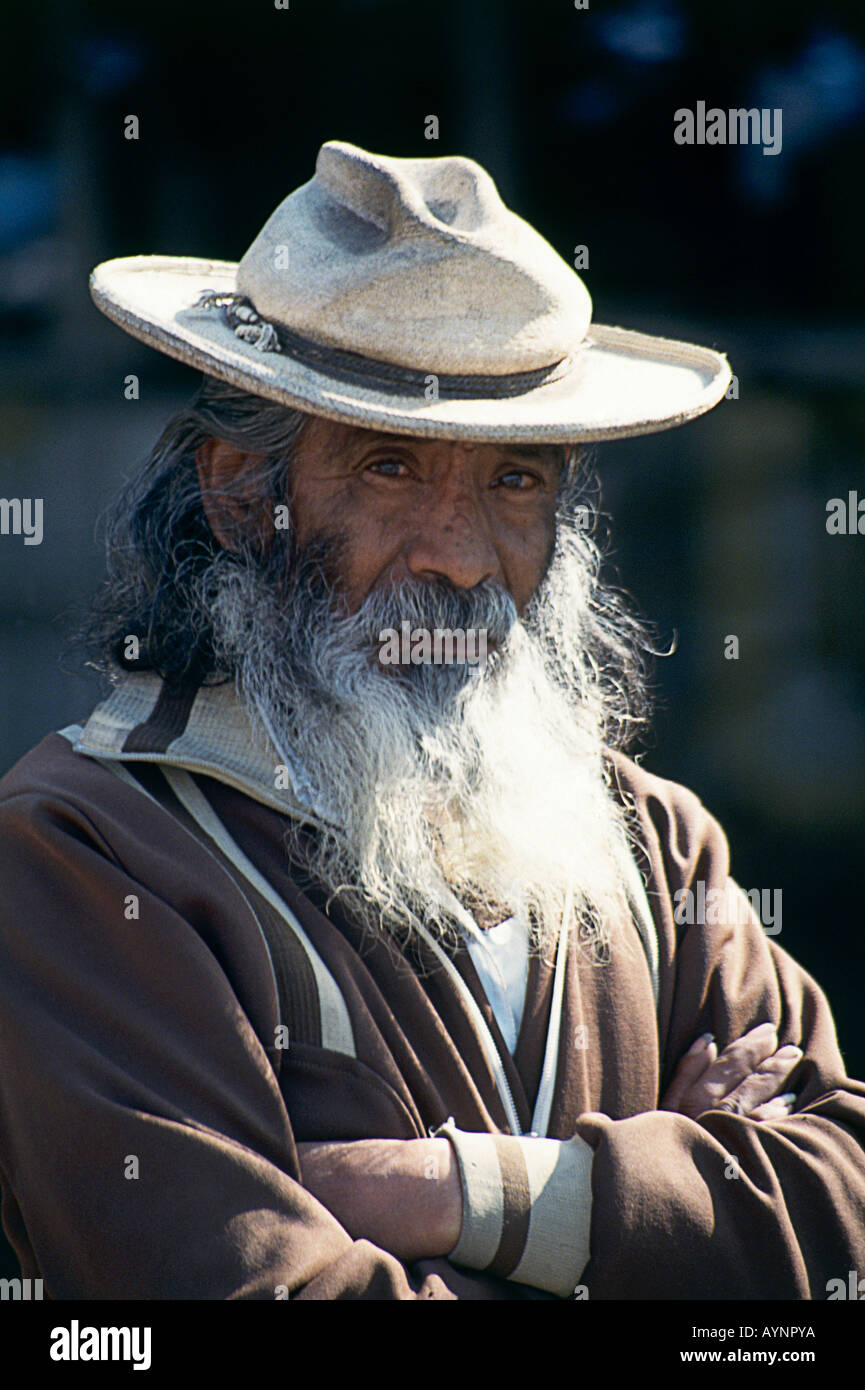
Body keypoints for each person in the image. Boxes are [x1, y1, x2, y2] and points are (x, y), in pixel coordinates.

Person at [0, 140, 862, 1301]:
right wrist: (678, 1209)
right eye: (390, 467)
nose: (457, 559)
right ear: (242, 494)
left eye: (513, 480)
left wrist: (449, 1193)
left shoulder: (656, 845)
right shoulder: (81, 851)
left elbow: (846, 1220)